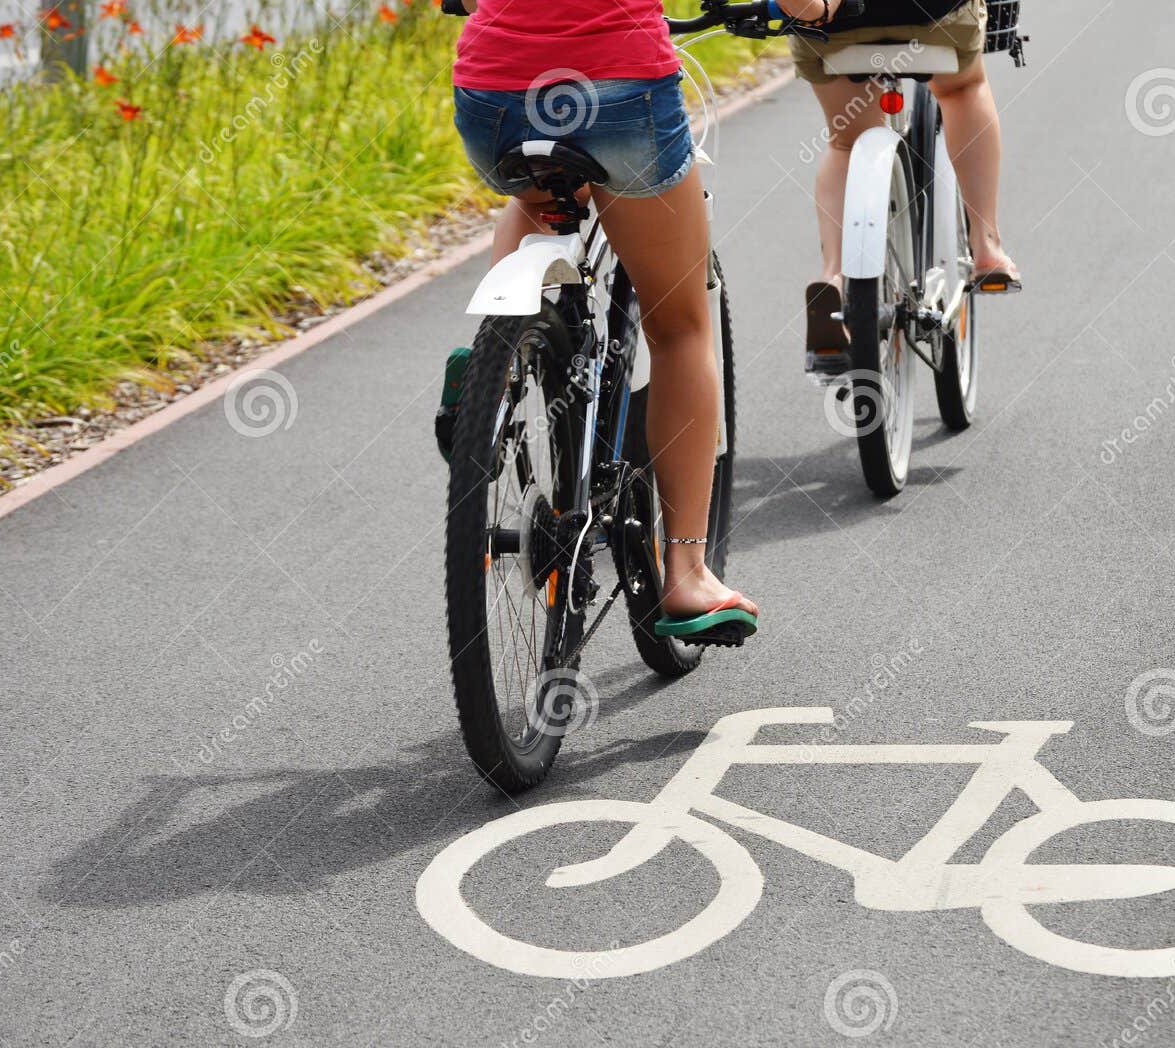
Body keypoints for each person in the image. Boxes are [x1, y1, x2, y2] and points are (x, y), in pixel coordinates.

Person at [435, 0, 824, 642]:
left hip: (492, 95)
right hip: (620, 91)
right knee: (680, 328)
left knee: (539, 191)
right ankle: (688, 574)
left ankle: (490, 377)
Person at [789, 0, 1020, 375]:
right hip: (934, 16)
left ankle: (833, 276)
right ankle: (986, 246)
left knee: (848, 142)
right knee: (963, 89)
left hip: (832, 26)